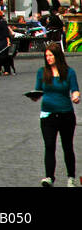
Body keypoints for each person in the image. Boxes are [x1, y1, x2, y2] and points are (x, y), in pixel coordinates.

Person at [36, 43, 80, 187]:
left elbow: (75, 89)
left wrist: (75, 96)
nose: (48, 58)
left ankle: (71, 178)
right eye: (46, 56)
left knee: (67, 146)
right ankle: (49, 177)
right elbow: (38, 90)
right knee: (49, 145)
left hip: (65, 114)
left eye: (51, 55)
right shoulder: (42, 72)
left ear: (58, 56)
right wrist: (34, 96)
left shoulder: (69, 72)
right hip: (47, 115)